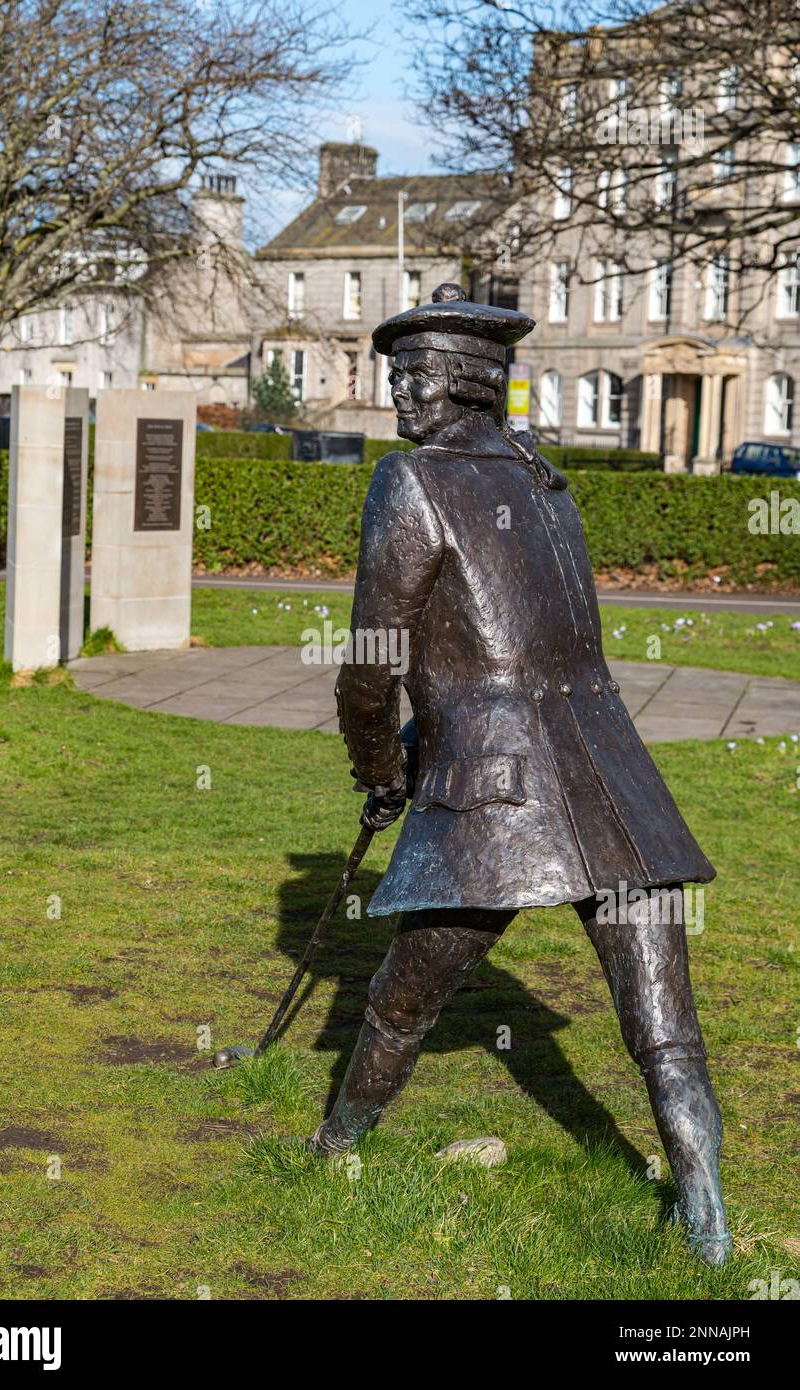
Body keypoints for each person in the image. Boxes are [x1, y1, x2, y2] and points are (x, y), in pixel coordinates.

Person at [309, 283, 731, 1267]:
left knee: (404, 993)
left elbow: (370, 655)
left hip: (492, 790)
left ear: (462, 382)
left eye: (411, 375)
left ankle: (334, 1145)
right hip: (613, 775)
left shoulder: (408, 482)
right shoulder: (544, 479)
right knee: (662, 1024)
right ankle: (704, 1221)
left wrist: (378, 765)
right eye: (393, 375)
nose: (398, 394)